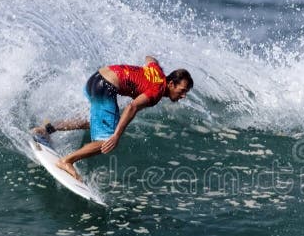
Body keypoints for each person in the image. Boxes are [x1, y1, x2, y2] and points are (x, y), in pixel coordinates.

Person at [33, 56, 193, 181]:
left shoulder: (157, 71)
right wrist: (116, 136)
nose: (184, 95)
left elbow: (150, 59)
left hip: (96, 78)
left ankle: (45, 129)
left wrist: (142, 74)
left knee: (93, 123)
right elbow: (132, 107)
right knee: (106, 140)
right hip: (105, 87)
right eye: (182, 90)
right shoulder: (157, 92)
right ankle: (66, 161)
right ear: (171, 84)